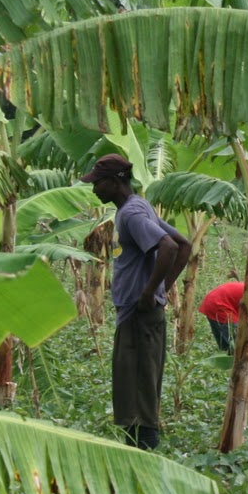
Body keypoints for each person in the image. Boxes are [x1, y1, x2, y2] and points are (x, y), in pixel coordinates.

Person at [81, 153, 191, 450]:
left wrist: (149, 292)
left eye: (98, 183)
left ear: (116, 181)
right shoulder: (137, 206)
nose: (94, 189)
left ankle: (143, 452)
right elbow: (185, 244)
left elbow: (170, 246)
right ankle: (136, 449)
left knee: (138, 387)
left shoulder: (130, 213)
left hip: (139, 313)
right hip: (137, 312)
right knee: (134, 383)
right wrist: (161, 289)